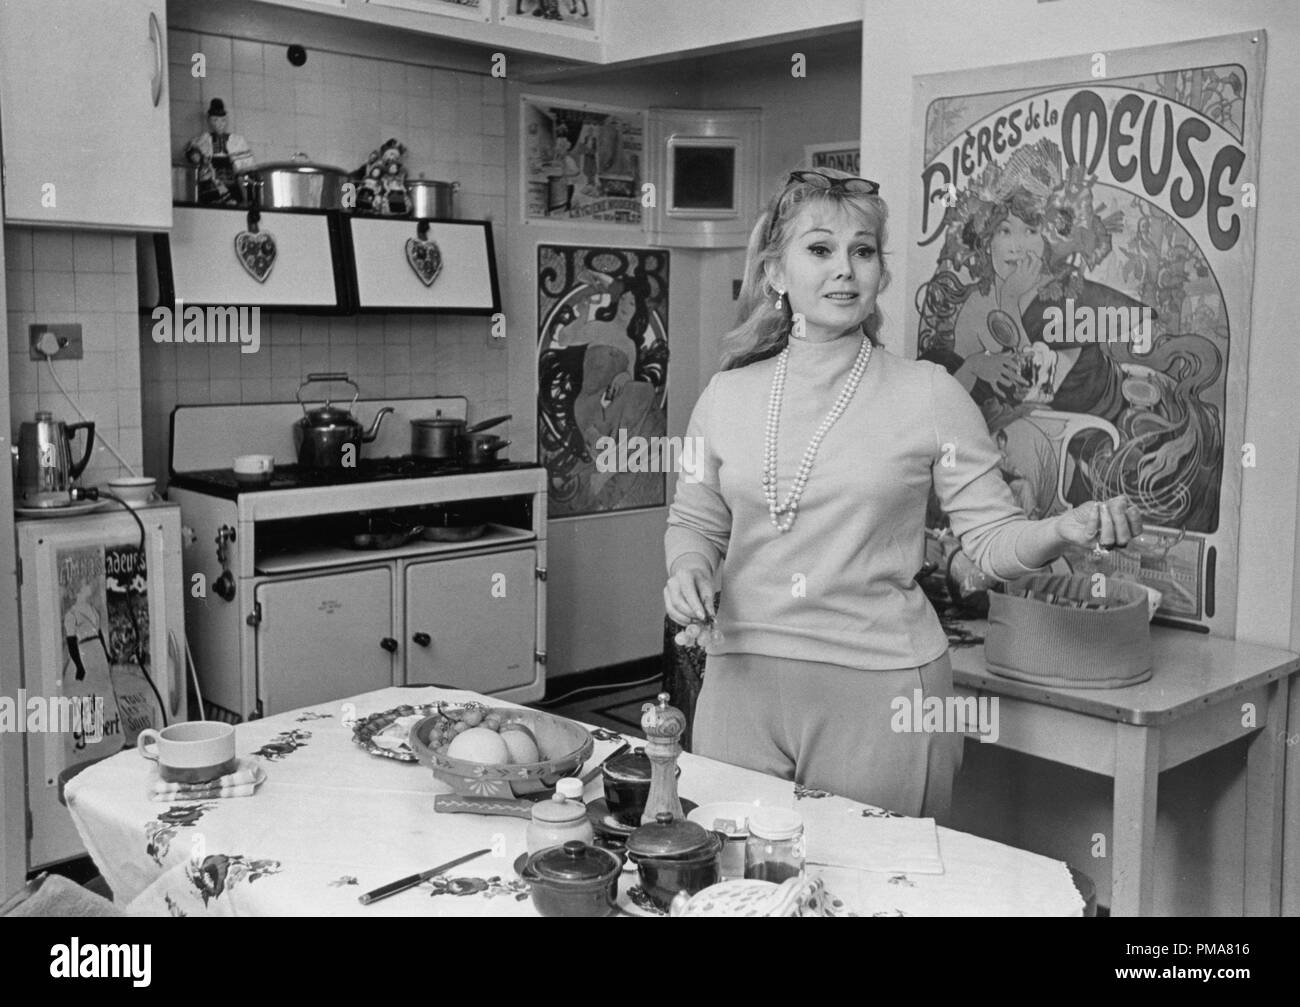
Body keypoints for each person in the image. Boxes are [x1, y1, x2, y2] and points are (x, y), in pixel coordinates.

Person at [663, 168, 1143, 822]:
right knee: (739, 889)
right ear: (776, 272)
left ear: (881, 274)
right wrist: (687, 567)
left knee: (879, 892)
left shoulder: (928, 394)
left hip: (883, 696)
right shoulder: (726, 395)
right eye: (820, 249)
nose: (844, 270)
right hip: (738, 686)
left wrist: (1063, 529)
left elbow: (990, 543)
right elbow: (693, 520)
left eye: (862, 251)